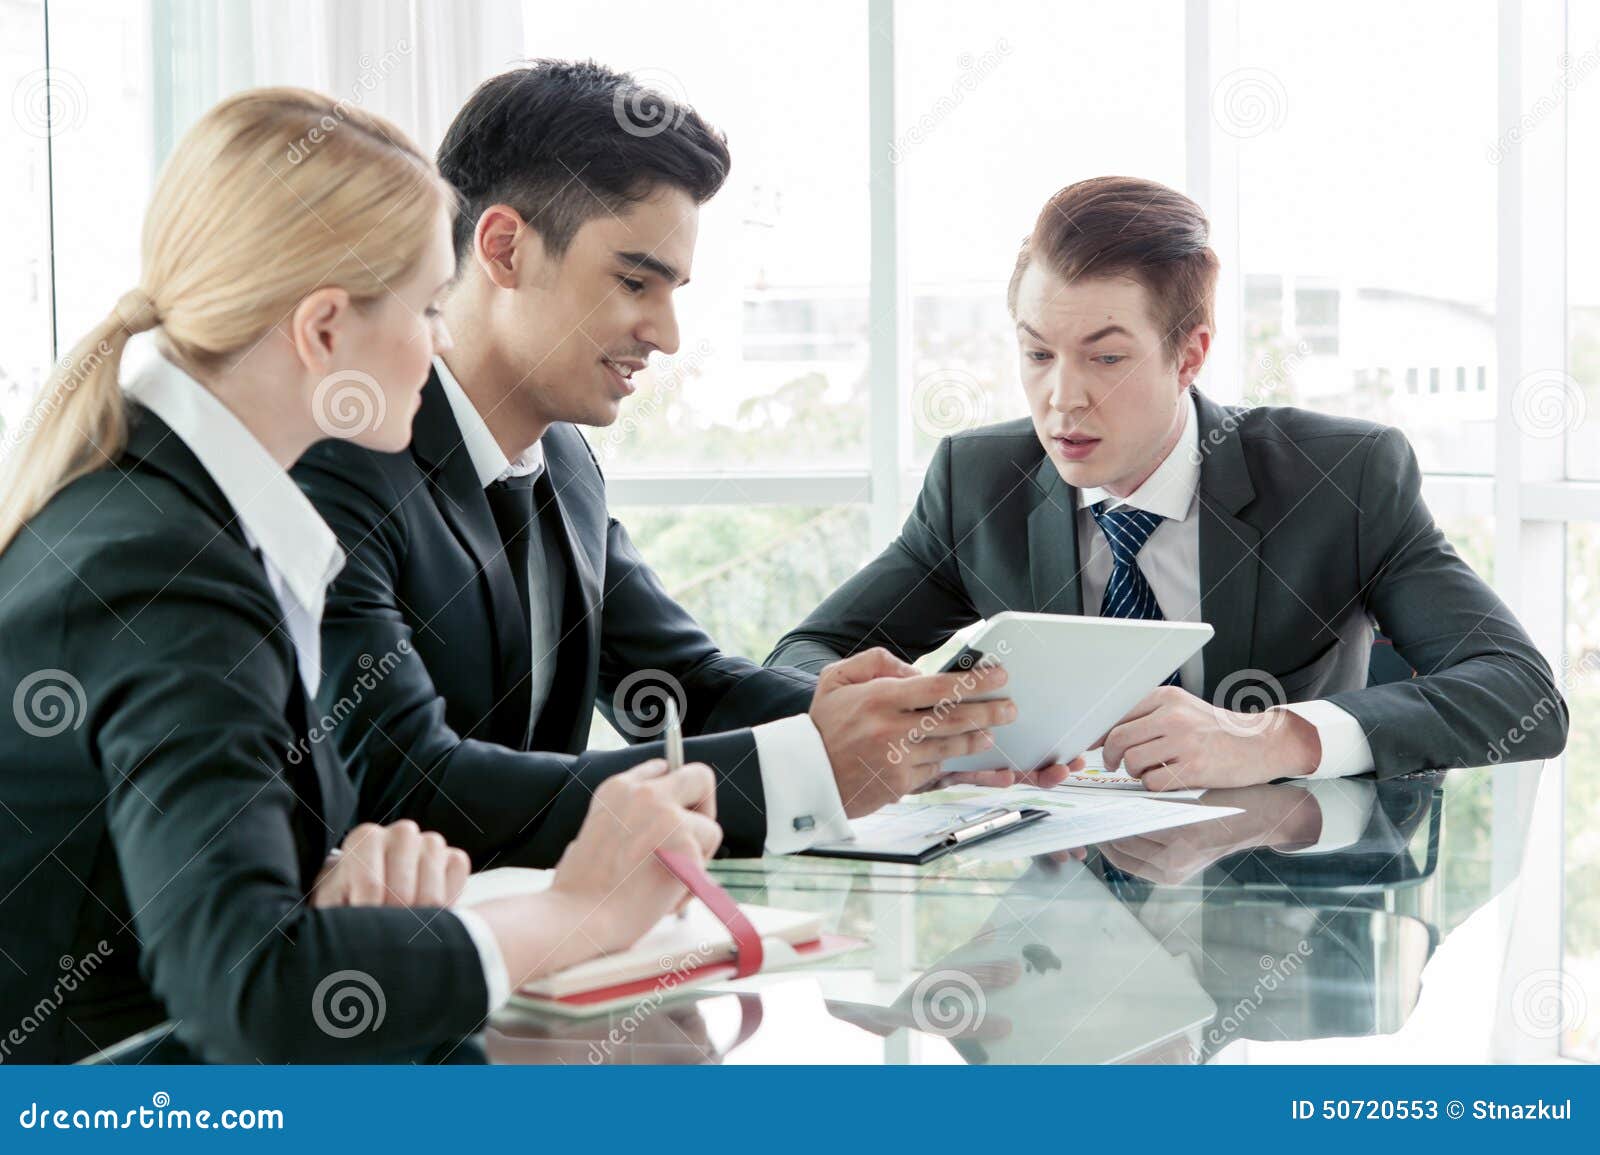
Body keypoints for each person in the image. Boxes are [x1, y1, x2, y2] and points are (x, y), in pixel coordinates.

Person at [0, 88, 721, 1064]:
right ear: (324, 330)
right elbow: (252, 999)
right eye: (427, 306)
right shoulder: (169, 574)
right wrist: (576, 911)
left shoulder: (171, 514)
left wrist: (324, 880)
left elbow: (205, 914)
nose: (441, 339)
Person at [292, 60, 1069, 867]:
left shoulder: (564, 461)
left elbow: (685, 687)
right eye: (635, 280)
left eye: (674, 290)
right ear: (503, 248)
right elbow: (410, 789)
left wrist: (910, 731)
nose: (666, 334)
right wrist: (802, 767)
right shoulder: (341, 465)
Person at [766, 175, 1567, 788]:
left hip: (1280, 917)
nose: (1062, 398)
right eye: (1038, 352)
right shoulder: (978, 483)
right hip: (1053, 930)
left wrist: (1270, 738)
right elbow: (803, 657)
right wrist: (923, 727)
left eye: (1106, 357)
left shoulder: (1343, 478)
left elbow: (1520, 692)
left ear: (1189, 356)